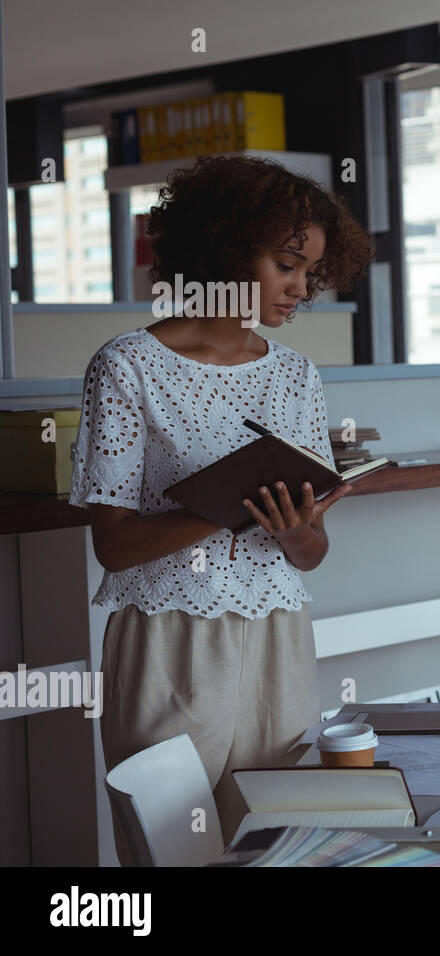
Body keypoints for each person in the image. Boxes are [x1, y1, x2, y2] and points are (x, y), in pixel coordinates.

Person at [69, 155, 373, 857]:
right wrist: (230, 506)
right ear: (227, 250)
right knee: (171, 849)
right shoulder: (125, 367)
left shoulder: (295, 374)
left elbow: (311, 552)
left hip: (277, 637)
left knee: (279, 845)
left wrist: (296, 529)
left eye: (310, 273)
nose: (301, 288)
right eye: (287, 265)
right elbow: (113, 544)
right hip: (168, 639)